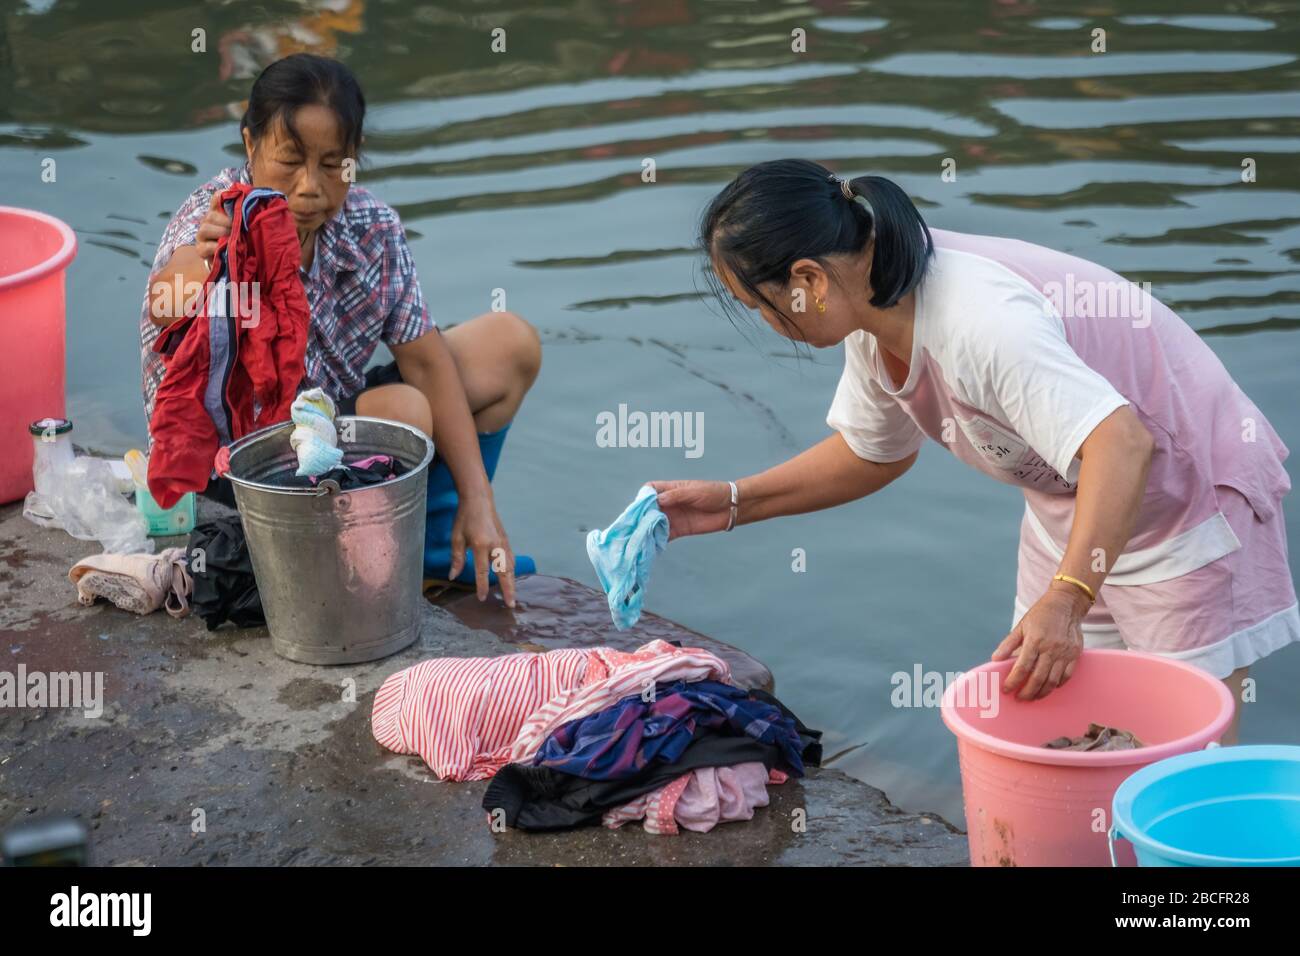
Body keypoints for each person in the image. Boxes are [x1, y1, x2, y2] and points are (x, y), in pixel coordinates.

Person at [652, 158, 1296, 744]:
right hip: (1072, 501)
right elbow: (873, 452)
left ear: (808, 279)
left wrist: (1067, 597)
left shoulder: (982, 320)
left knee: (1178, 745)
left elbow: (1121, 442)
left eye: (763, 307)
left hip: (1179, 499)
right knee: (1063, 724)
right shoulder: (875, 315)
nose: (771, 326)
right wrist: (732, 502)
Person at [140, 53, 539, 606]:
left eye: (333, 165)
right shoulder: (218, 214)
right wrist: (209, 263)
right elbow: (166, 298)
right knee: (405, 413)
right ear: (250, 145)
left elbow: (427, 359)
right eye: (290, 161)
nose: (310, 189)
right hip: (242, 460)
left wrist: (480, 499)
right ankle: (382, 570)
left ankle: (442, 548)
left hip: (326, 418)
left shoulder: (372, 227)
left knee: (509, 344)